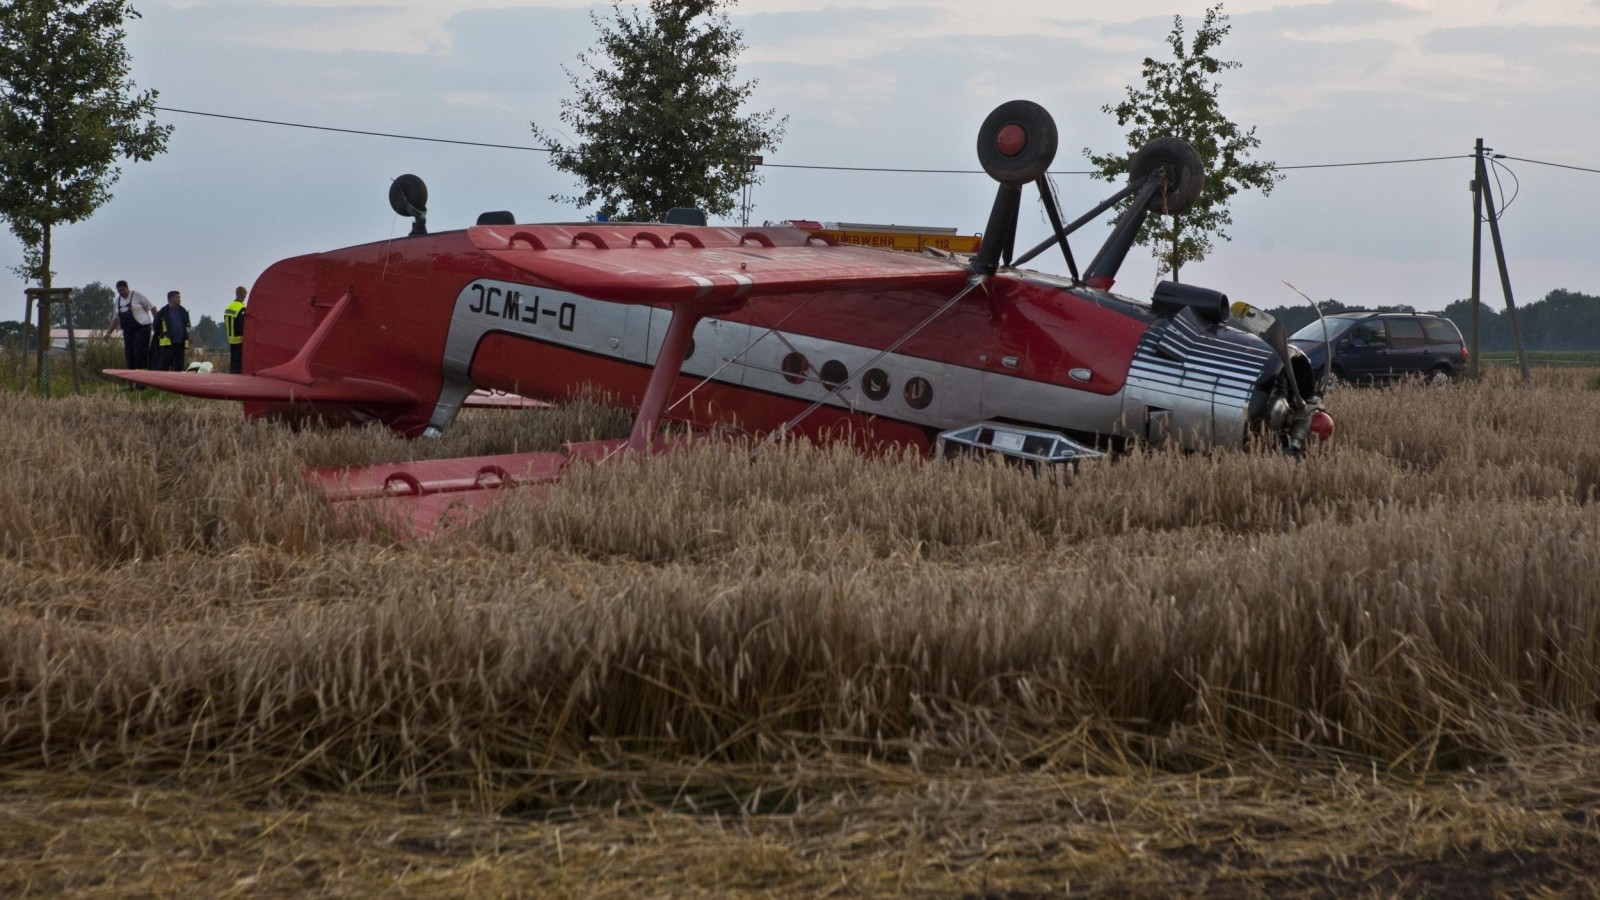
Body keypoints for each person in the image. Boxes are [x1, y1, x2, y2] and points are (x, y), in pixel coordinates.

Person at [112, 280, 157, 371]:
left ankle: (142, 379)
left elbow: (153, 308)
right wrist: (109, 332)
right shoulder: (118, 301)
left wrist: (157, 325)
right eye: (119, 291)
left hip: (142, 328)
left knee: (139, 352)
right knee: (129, 354)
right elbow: (116, 318)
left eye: (123, 290)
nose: (121, 293)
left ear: (127, 288)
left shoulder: (137, 296)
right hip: (128, 331)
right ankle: (132, 379)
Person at [151, 290, 191, 372]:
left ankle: (177, 383)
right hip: (167, 344)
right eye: (177, 297)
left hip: (180, 344)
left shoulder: (183, 311)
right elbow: (156, 326)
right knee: (164, 365)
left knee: (179, 365)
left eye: (179, 297)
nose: (179, 299)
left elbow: (187, 325)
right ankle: (161, 382)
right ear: (170, 299)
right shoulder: (163, 312)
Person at [222, 285, 247, 374]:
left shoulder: (228, 307)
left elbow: (225, 320)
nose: (245, 296)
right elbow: (242, 325)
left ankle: (231, 376)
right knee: (237, 364)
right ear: (242, 294)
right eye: (245, 294)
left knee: (232, 362)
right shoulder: (242, 308)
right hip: (239, 340)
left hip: (231, 339)